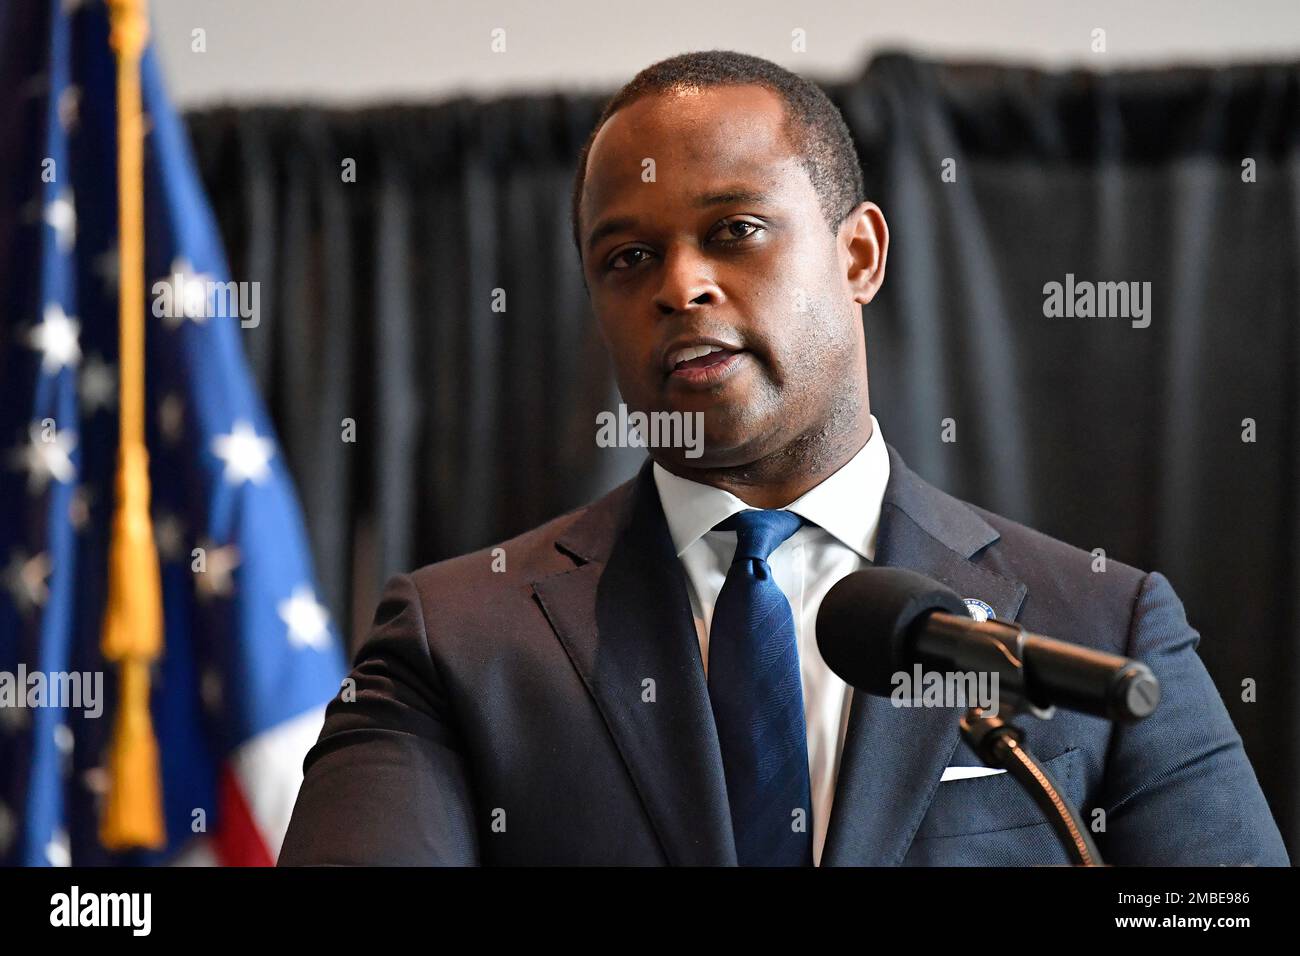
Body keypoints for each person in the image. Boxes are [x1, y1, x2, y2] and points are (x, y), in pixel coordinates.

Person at [278, 50, 1289, 866]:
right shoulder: (452, 640)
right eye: (626, 257)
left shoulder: (1100, 625)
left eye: (735, 230)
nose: (680, 286)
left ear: (858, 255)